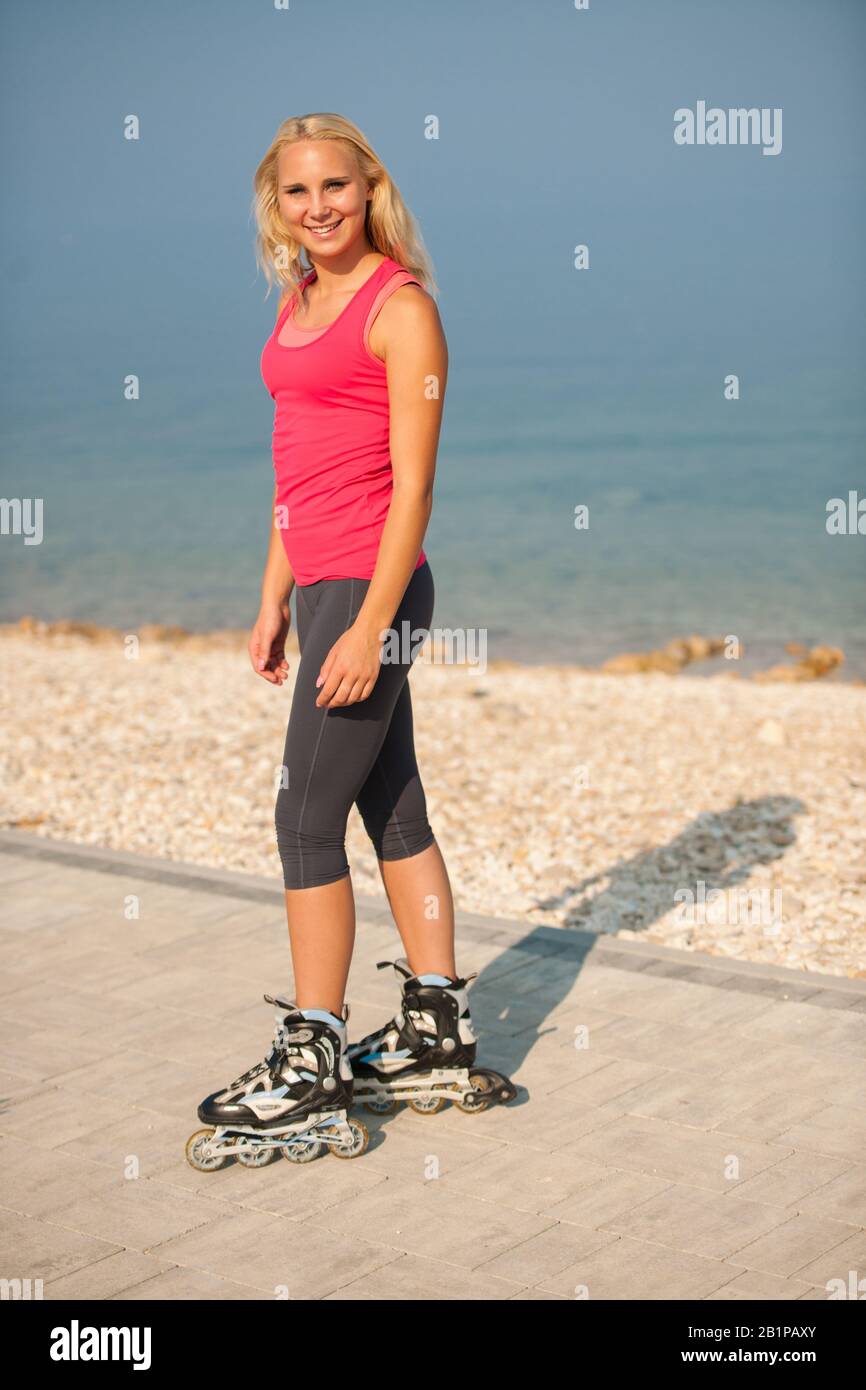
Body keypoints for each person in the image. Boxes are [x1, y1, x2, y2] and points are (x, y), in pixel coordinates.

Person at [189, 114, 513, 1172]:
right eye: (296, 192)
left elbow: (411, 488)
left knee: (302, 819)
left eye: (335, 185)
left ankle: (311, 1053)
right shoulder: (300, 299)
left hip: (373, 591)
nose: (317, 205)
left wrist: (368, 625)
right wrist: (272, 591)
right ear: (273, 204)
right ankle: (432, 1026)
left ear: (368, 188)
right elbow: (297, 467)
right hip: (318, 582)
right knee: (391, 801)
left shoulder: (398, 308)